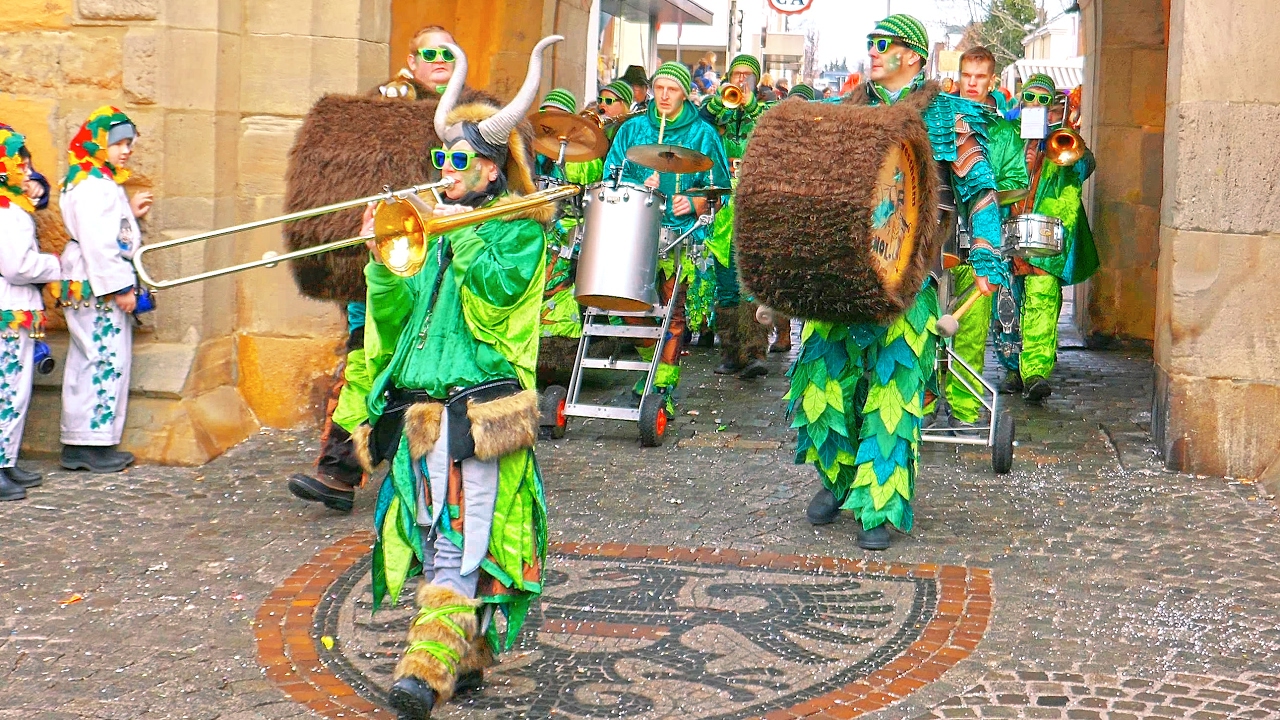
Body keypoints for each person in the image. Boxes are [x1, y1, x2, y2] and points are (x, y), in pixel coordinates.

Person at [355, 37, 560, 719]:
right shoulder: (434, 224)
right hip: (421, 409)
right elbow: (393, 315)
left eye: (459, 160)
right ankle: (468, 651)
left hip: (478, 410)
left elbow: (500, 298)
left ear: (493, 167)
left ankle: (426, 669)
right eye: (440, 158)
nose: (444, 170)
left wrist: (459, 228)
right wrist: (385, 259)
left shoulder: (519, 230)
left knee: (458, 540)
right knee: (431, 531)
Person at [795, 14, 1007, 550]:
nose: (871, 51)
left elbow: (980, 194)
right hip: (842, 273)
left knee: (894, 388)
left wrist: (986, 262)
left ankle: (881, 505)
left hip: (909, 276)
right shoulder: (848, 109)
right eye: (868, 42)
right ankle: (836, 482)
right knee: (823, 379)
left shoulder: (948, 115)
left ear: (912, 55)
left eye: (882, 44)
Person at [288, 25, 500, 513]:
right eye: (430, 52)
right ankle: (339, 472)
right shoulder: (383, 103)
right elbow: (344, 175)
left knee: (436, 368)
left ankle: (437, 469)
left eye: (450, 51)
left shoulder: (474, 111)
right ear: (411, 58)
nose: (440, 59)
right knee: (366, 360)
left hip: (443, 262)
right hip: (388, 259)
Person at [604, 62, 731, 413]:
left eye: (671, 89)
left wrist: (693, 200)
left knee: (672, 309)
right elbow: (611, 175)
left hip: (682, 234)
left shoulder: (703, 135)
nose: (663, 95)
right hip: (635, 230)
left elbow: (721, 190)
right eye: (658, 87)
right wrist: (634, 185)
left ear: (685, 93)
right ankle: (652, 365)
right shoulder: (631, 130)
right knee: (625, 303)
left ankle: (663, 387)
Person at [938, 46, 1030, 434]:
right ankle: (922, 402)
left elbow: (1015, 184)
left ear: (992, 80)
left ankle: (962, 407)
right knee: (925, 325)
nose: (972, 84)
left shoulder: (1004, 133)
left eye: (980, 77)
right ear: (959, 75)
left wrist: (983, 188)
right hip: (938, 241)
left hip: (979, 243)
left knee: (971, 333)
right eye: (966, 76)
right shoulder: (940, 118)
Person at [56, 106, 150, 473]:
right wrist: (121, 288)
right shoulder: (93, 185)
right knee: (102, 357)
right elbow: (99, 242)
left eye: (129, 143)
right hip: (98, 287)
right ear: (98, 143)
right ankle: (87, 444)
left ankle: (90, 441)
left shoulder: (94, 180)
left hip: (93, 282)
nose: (125, 150)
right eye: (118, 143)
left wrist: (128, 210)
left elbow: (104, 227)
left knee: (100, 356)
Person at [1001, 73, 1098, 401]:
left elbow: (1085, 168)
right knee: (1008, 305)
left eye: (1045, 100)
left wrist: (1071, 138)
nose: (1037, 105)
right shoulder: (1006, 135)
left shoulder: (1062, 139)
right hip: (1008, 231)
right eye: (1032, 97)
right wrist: (1020, 158)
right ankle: (1014, 367)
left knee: (1042, 299)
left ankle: (1036, 372)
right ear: (1021, 99)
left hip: (1046, 236)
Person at [700, 54, 772, 379]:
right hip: (722, 212)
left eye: (748, 75)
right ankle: (730, 353)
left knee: (751, 286)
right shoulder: (717, 113)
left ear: (757, 80)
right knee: (726, 287)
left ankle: (756, 352)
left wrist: (751, 105)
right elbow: (698, 126)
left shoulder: (767, 112)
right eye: (737, 75)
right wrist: (719, 103)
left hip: (755, 211)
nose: (741, 81)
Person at [0, 126, 62, 500]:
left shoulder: (14, 205)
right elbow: (16, 266)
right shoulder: (6, 212)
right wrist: (54, 265)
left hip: (17, 309)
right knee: (5, 389)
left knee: (16, 390)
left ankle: (6, 459)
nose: (28, 171)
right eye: (20, 164)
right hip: (8, 308)